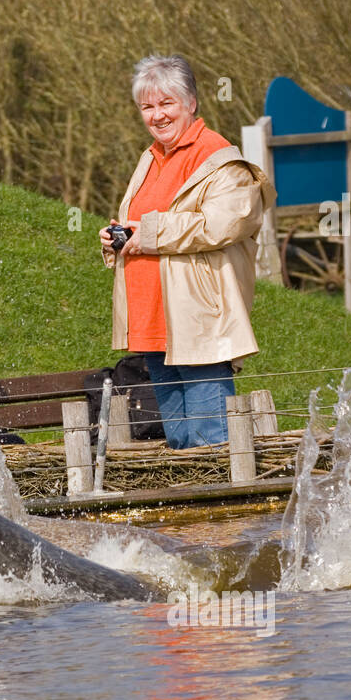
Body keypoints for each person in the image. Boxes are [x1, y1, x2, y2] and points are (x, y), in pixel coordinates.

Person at [99, 54, 273, 449]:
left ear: (191, 103)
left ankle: (230, 512)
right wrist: (119, 236)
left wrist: (151, 232)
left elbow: (223, 223)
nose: (157, 115)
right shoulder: (149, 158)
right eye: (147, 106)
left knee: (212, 443)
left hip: (198, 321)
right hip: (154, 322)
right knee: (179, 443)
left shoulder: (221, 159)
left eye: (166, 104)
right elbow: (142, 223)